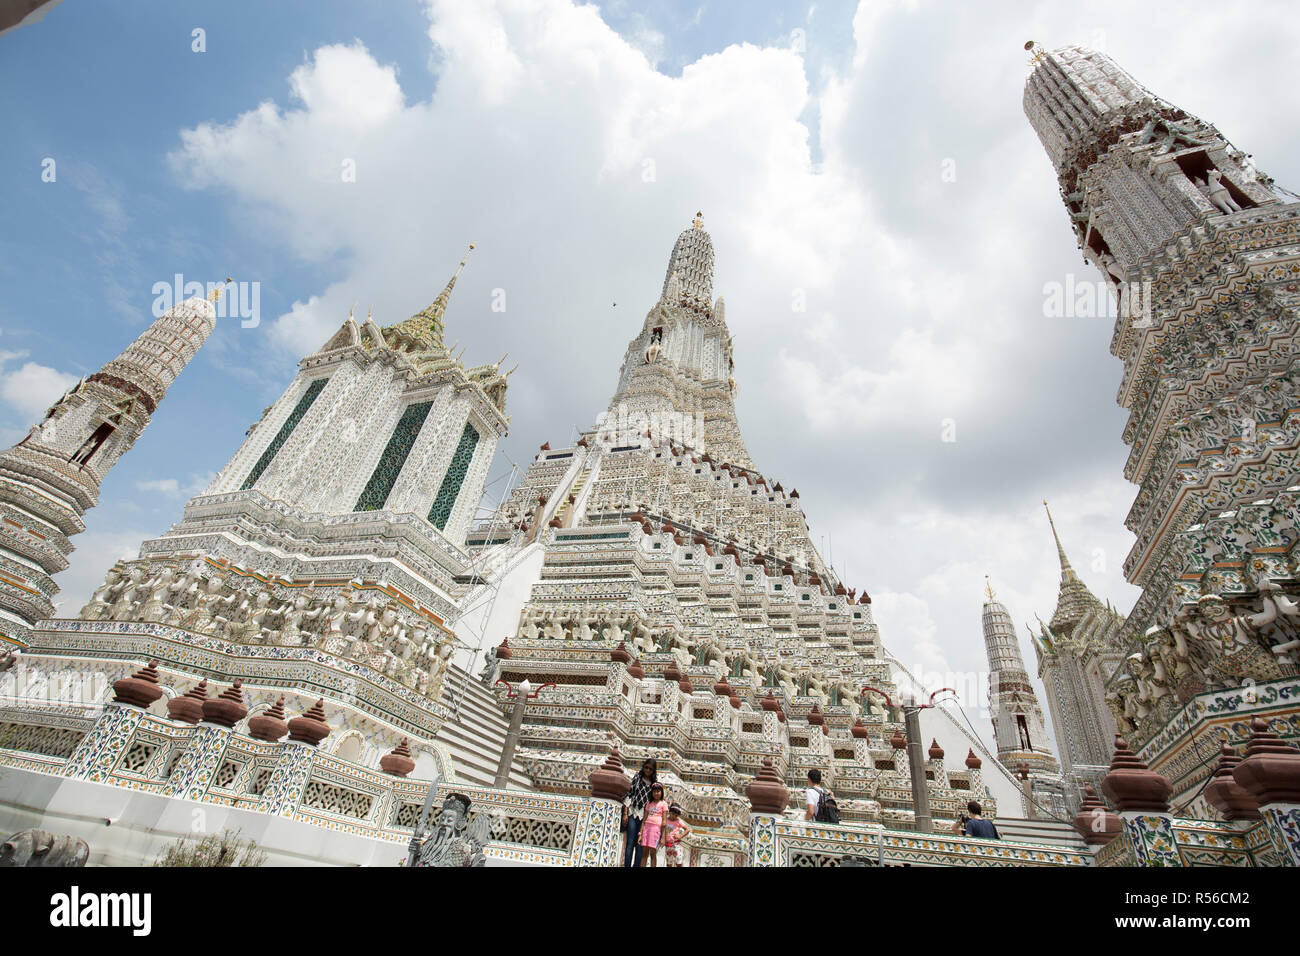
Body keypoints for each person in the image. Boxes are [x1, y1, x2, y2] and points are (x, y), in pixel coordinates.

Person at [622, 758, 657, 867]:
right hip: (633, 813)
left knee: (640, 845)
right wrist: (625, 813)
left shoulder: (654, 785)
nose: (647, 770)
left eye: (650, 769)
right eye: (646, 767)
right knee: (630, 843)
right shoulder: (637, 778)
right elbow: (630, 794)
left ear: (653, 771)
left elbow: (654, 802)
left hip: (645, 818)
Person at [639, 783, 669, 868]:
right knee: (644, 853)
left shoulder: (664, 804)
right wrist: (640, 834)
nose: (656, 793)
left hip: (656, 829)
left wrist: (663, 837)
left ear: (661, 792)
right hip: (646, 829)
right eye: (654, 791)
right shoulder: (649, 803)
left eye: (658, 791)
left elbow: (664, 822)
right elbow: (644, 820)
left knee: (652, 853)